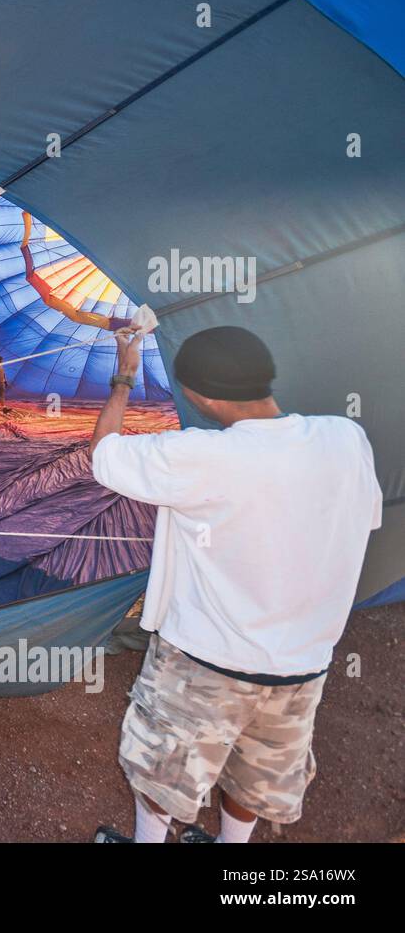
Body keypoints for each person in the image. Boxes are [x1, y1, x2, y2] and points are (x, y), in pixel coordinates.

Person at [88, 325, 381, 843]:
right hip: (301, 664)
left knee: (162, 773)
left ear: (201, 397)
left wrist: (124, 377)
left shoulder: (200, 454)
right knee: (258, 772)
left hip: (206, 662)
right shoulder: (345, 439)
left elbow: (104, 454)